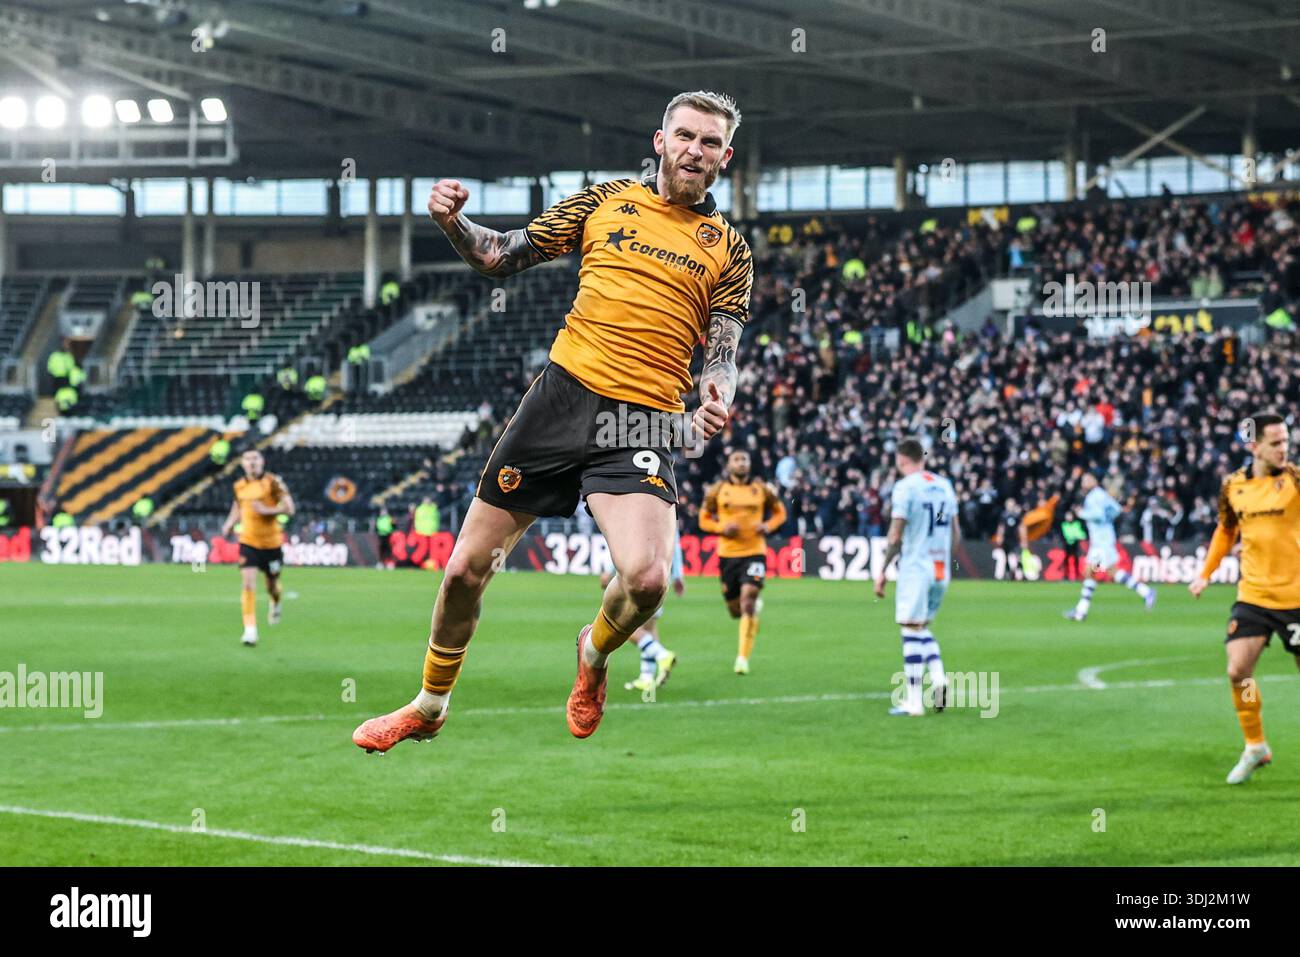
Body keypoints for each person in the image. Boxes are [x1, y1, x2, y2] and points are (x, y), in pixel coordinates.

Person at [353, 89, 752, 753]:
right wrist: (454, 222)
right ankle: (429, 702)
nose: (694, 149)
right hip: (561, 397)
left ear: (725, 158)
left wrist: (717, 391)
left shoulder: (729, 249)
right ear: (661, 141)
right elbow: (501, 253)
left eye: (709, 142)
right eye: (684, 135)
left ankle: (593, 653)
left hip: (644, 419)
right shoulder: (606, 201)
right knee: (463, 570)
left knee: (648, 578)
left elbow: (724, 348)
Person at [1189, 412, 1300, 784]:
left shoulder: (1296, 479)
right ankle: (1256, 745)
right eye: (1276, 442)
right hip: (1253, 595)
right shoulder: (1233, 487)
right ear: (1254, 445)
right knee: (1239, 671)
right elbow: (1225, 531)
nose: (1284, 448)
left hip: (1296, 597)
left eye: (1286, 441)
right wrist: (1204, 574)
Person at [873, 439, 959, 716]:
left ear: (900, 459)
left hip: (916, 566)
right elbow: (956, 532)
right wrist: (946, 559)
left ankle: (913, 701)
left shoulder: (905, 487)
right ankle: (939, 678)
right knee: (921, 626)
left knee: (910, 628)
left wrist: (884, 569)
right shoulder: (945, 485)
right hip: (940, 567)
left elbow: (896, 533)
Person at [698, 449, 786, 674]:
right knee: (736, 611)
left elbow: (780, 513)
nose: (741, 463)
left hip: (755, 551)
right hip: (727, 555)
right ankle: (751, 613)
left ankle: (742, 659)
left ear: (749, 464)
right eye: (736, 460)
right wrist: (720, 528)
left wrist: (768, 526)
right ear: (729, 465)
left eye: (744, 459)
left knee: (748, 600)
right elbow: (703, 519)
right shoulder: (719, 490)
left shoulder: (761, 490)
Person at [221, 449, 295, 647]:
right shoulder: (239, 486)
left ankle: (276, 601)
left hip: (272, 544)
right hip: (248, 542)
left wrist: (268, 511)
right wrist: (229, 524)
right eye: (247, 459)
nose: (251, 462)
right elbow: (238, 507)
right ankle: (250, 630)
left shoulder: (273, 482)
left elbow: (290, 508)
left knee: (272, 586)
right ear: (242, 463)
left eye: (255, 458)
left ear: (262, 461)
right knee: (247, 584)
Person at [1062, 471, 1156, 621]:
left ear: (1094, 481)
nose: (1084, 482)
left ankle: (1081, 612)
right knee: (1110, 572)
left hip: (1101, 542)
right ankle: (1146, 592)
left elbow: (1099, 515)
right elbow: (1117, 509)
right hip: (1104, 539)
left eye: (1087, 479)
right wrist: (1108, 519)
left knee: (1091, 572)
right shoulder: (1101, 494)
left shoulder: (1095, 496)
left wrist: (1083, 514)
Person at [611, 532, 684, 695]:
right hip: (660, 577)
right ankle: (647, 677)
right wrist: (678, 575)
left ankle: (662, 655)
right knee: (649, 628)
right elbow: (674, 543)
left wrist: (610, 570)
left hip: (638, 575)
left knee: (621, 625)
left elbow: (622, 542)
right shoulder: (668, 509)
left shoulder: (635, 510)